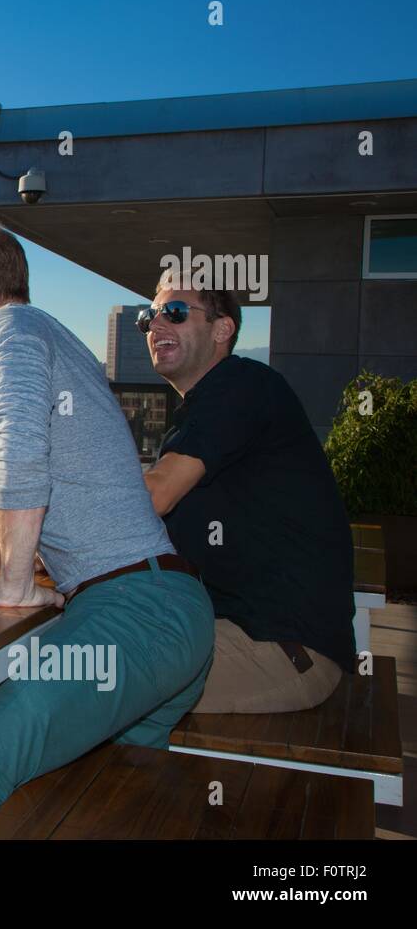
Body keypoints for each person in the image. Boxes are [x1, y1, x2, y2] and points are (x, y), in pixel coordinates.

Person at [0, 120, 215, 839]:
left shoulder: (7, 336)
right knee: (108, 801)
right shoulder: (39, 325)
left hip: (130, 619)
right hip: (168, 611)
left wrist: (19, 579)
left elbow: (21, 447)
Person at [141, 269, 356, 712]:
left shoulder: (243, 386)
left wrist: (39, 519)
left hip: (282, 649)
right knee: (85, 652)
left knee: (87, 681)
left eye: (175, 312)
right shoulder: (198, 417)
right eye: (150, 316)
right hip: (235, 630)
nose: (156, 325)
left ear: (223, 330)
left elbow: (153, 496)